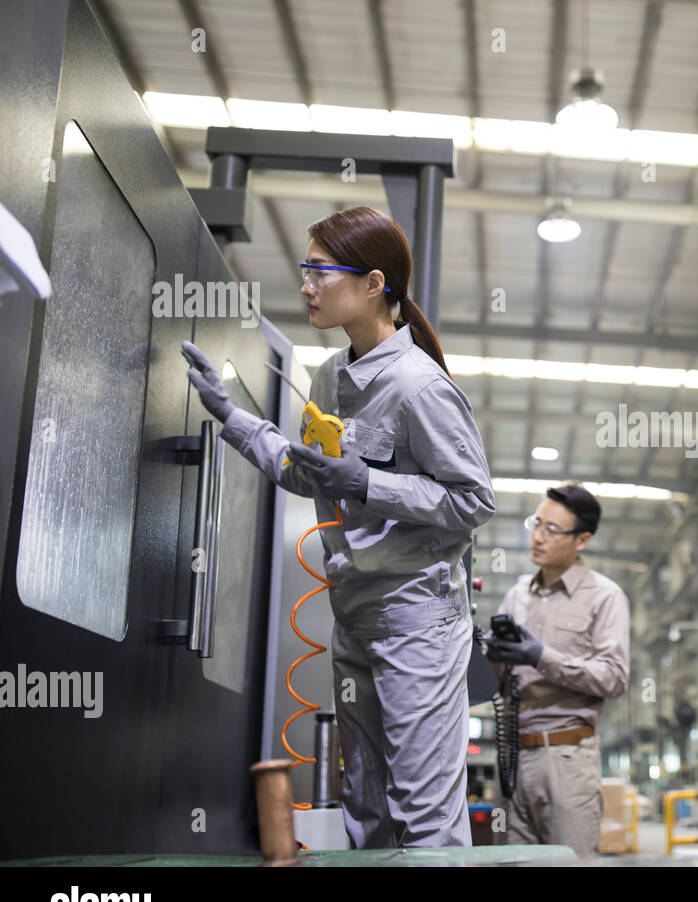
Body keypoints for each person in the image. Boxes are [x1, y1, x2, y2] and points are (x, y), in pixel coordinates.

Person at [181, 206, 494, 849]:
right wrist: (232, 418)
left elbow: (471, 501)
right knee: (367, 808)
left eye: (319, 270)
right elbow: (307, 475)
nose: (306, 285)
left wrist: (368, 483)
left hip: (418, 624)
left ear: (373, 283)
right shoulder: (330, 377)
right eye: (307, 269)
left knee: (425, 816)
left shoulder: (419, 388)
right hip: (354, 618)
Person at [479, 483, 630, 855]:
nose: (538, 537)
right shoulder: (517, 597)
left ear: (582, 541)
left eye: (551, 529)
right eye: (536, 524)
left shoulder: (604, 596)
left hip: (566, 761)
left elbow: (614, 677)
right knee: (510, 861)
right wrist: (491, 657)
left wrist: (539, 656)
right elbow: (494, 684)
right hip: (513, 757)